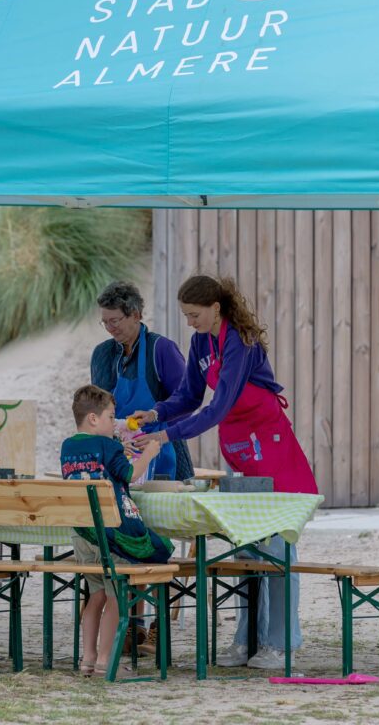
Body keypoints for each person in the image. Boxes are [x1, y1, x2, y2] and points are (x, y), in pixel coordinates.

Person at [132, 275, 319, 671]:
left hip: (269, 445)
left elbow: (216, 408)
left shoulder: (241, 342)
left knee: (277, 547)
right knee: (247, 544)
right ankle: (246, 639)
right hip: (239, 445)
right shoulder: (201, 341)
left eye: (194, 315)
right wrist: (154, 414)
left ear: (216, 308)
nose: (190, 323)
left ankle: (279, 645)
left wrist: (163, 437)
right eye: (185, 316)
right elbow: (187, 397)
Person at [60, 385, 171, 676]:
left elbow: (96, 468)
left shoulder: (68, 446)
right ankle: (106, 661)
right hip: (111, 535)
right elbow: (131, 475)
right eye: (111, 417)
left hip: (82, 534)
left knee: (95, 595)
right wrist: (148, 452)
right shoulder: (108, 446)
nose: (115, 423)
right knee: (115, 596)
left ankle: (87, 658)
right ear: (94, 419)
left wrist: (116, 448)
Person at [90, 281, 193, 483]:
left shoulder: (162, 349)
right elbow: (97, 408)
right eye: (105, 322)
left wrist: (154, 424)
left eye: (115, 321)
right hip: (118, 454)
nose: (110, 328)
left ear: (136, 315)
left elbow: (186, 402)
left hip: (163, 451)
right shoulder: (101, 355)